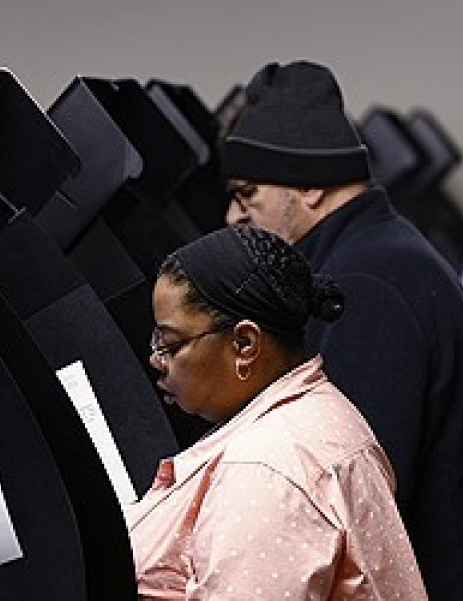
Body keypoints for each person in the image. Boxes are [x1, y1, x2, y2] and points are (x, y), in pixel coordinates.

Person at [224, 60, 463, 600]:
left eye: (247, 194)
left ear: (309, 184)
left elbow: (358, 499)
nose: (232, 216)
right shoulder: (383, 254)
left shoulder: (362, 286)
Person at [125, 224, 427, 600]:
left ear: (245, 343)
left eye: (170, 343)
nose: (157, 360)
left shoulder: (266, 470)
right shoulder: (320, 414)